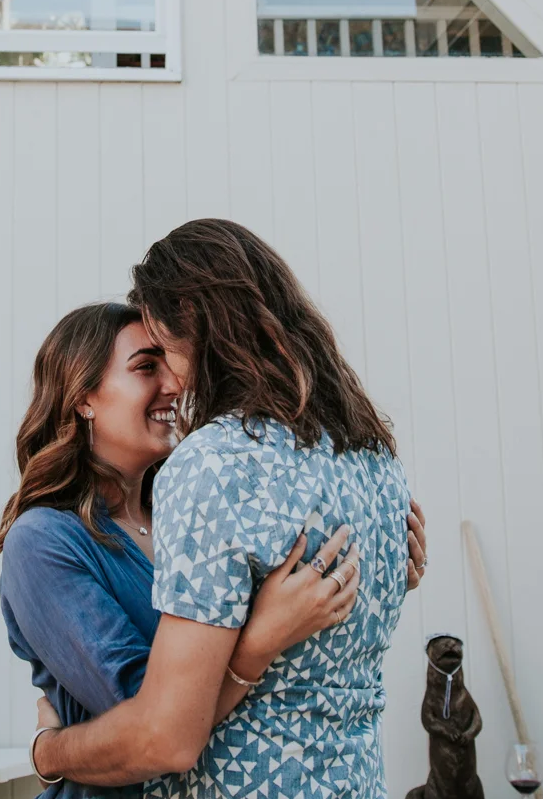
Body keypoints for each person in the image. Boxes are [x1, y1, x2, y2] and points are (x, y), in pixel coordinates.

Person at [30, 219, 418, 798]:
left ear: (196, 326)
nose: (172, 381)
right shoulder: (375, 459)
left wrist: (49, 749)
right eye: (146, 363)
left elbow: (165, 736)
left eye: (164, 350)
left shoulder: (214, 464)